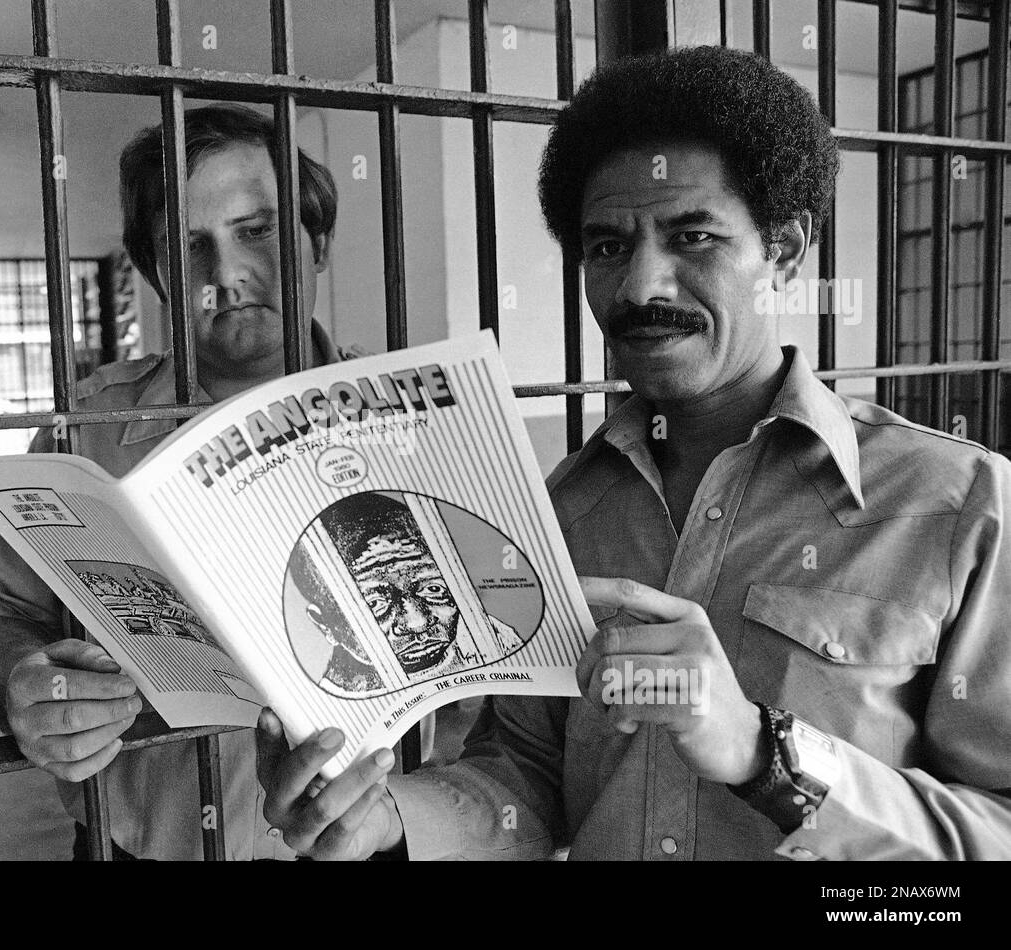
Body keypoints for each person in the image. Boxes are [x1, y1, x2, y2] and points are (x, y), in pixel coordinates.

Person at [257, 45, 1011, 860]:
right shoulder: (555, 512)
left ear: (784, 254)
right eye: (609, 247)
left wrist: (768, 756)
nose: (641, 286)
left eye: (693, 238)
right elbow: (522, 783)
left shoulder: (956, 502)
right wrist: (386, 820)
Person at [0, 104, 421, 860]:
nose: (229, 276)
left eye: (259, 230)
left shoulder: (406, 426)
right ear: (156, 274)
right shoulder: (88, 431)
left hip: (366, 841)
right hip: (136, 849)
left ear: (318, 241)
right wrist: (20, 682)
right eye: (190, 247)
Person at [286, 491, 521, 695]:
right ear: (325, 624)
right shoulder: (331, 702)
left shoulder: (490, 637)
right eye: (375, 604)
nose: (417, 623)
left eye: (433, 589)